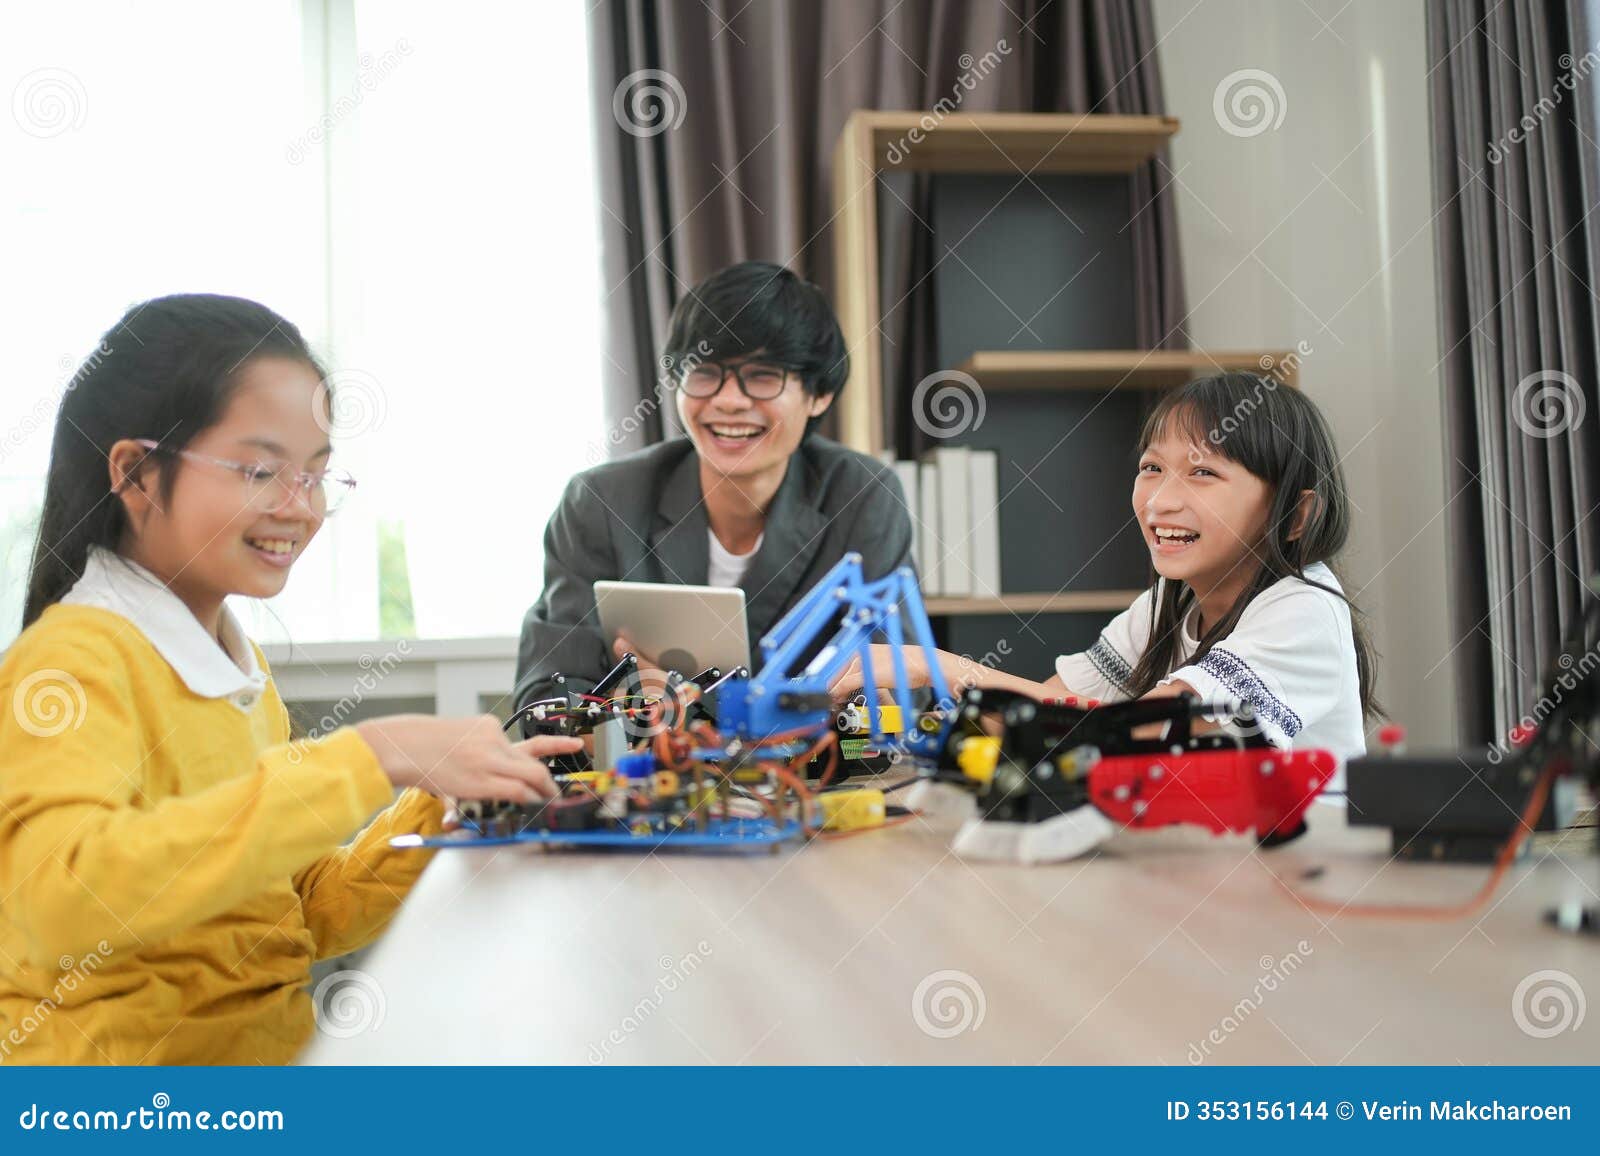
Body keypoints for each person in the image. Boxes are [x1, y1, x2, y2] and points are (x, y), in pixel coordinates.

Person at [0, 294, 580, 1064]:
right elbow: (63, 904)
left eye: (315, 475)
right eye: (259, 470)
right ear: (137, 473)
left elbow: (299, 915)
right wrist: (375, 751)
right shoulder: (70, 663)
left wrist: (446, 809)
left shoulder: (232, 664)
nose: (298, 508)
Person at [835, 373, 1377, 761]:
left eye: (1203, 473)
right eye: (1152, 467)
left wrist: (938, 665)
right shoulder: (1170, 603)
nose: (1159, 501)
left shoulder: (1303, 609)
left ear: (1296, 514)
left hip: (1294, 887)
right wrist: (898, 718)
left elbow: (1131, 730)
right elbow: (1055, 716)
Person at [513, 260, 913, 714]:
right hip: (649, 779)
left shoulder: (861, 497)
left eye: (764, 376)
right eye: (704, 372)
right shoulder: (601, 502)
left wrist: (697, 704)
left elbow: (900, 685)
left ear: (819, 394)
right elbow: (544, 700)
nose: (727, 400)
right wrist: (625, 709)